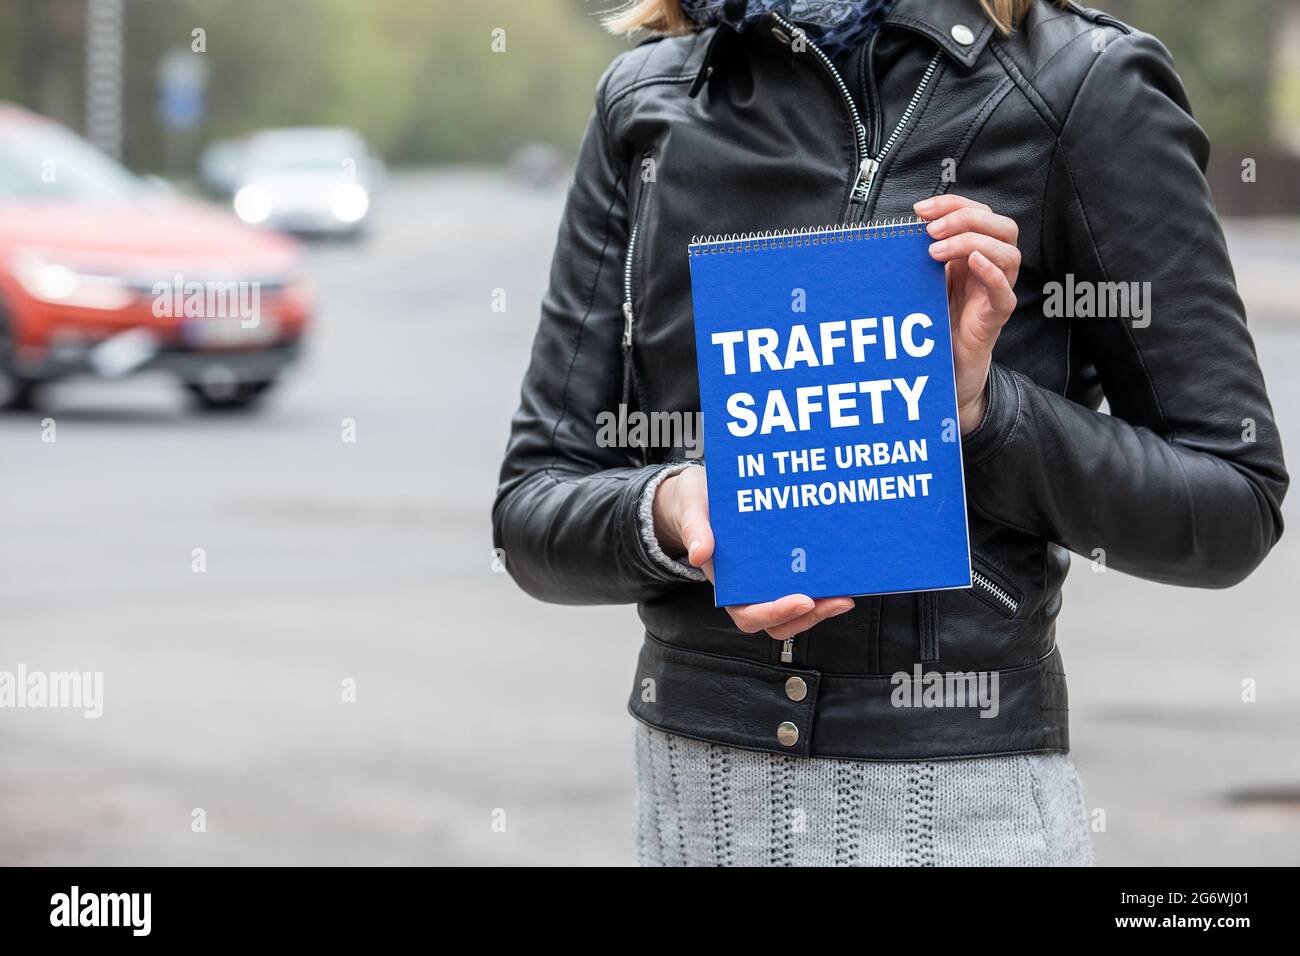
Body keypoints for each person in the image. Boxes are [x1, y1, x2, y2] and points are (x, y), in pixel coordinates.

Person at [493, 0, 1289, 866]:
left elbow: (1231, 504)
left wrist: (983, 416)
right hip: (692, 815)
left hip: (956, 817)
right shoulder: (648, 96)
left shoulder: (1080, 84)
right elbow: (531, 510)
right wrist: (673, 506)